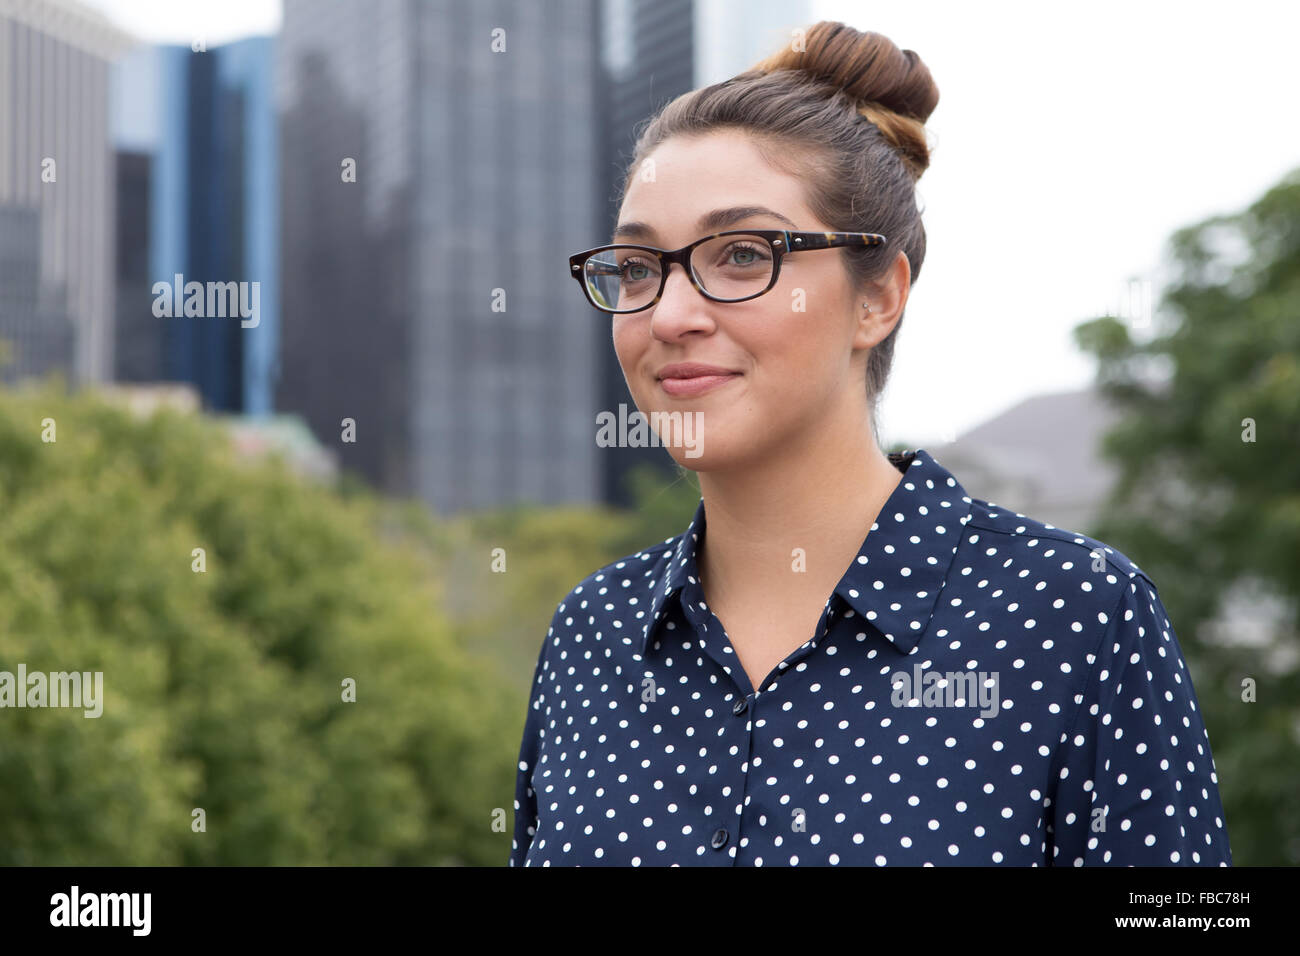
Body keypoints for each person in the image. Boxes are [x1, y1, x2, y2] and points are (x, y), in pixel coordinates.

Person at [510, 20, 1231, 867]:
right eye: (636, 268)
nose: (669, 315)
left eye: (742, 255)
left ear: (878, 297)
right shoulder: (592, 633)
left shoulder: (1074, 617)